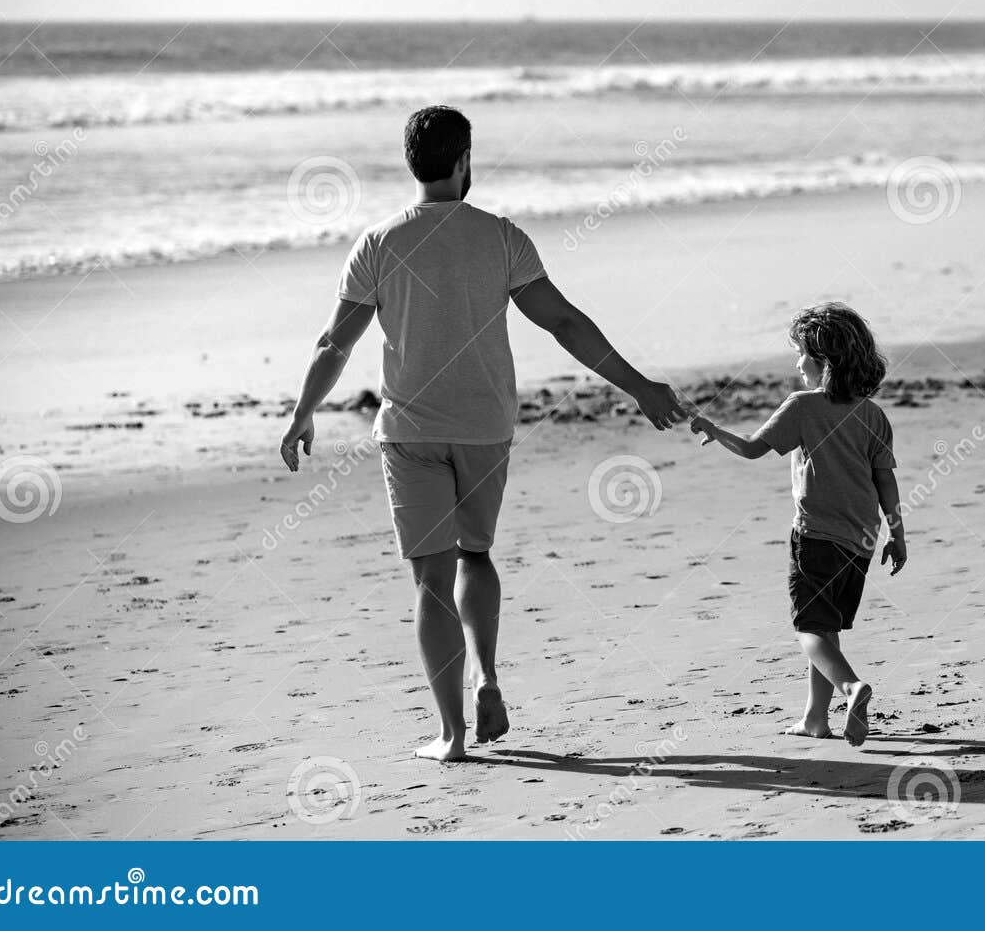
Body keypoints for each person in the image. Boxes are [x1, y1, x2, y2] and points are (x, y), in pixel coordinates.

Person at [279, 105, 687, 761]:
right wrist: (639, 386)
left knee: (430, 582)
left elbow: (335, 342)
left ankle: (451, 735)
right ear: (465, 159)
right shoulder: (501, 238)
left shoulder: (378, 243)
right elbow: (566, 324)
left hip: (411, 430)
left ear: (412, 163)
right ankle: (489, 677)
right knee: (476, 554)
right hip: (485, 427)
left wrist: (304, 411)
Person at [689, 302, 906, 746]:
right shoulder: (873, 415)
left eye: (800, 355)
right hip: (861, 542)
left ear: (822, 362)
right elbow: (886, 481)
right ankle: (814, 719)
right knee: (825, 627)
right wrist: (897, 534)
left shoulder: (803, 406)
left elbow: (753, 449)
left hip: (816, 538)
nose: (796, 363)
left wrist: (716, 430)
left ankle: (852, 688)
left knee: (809, 629)